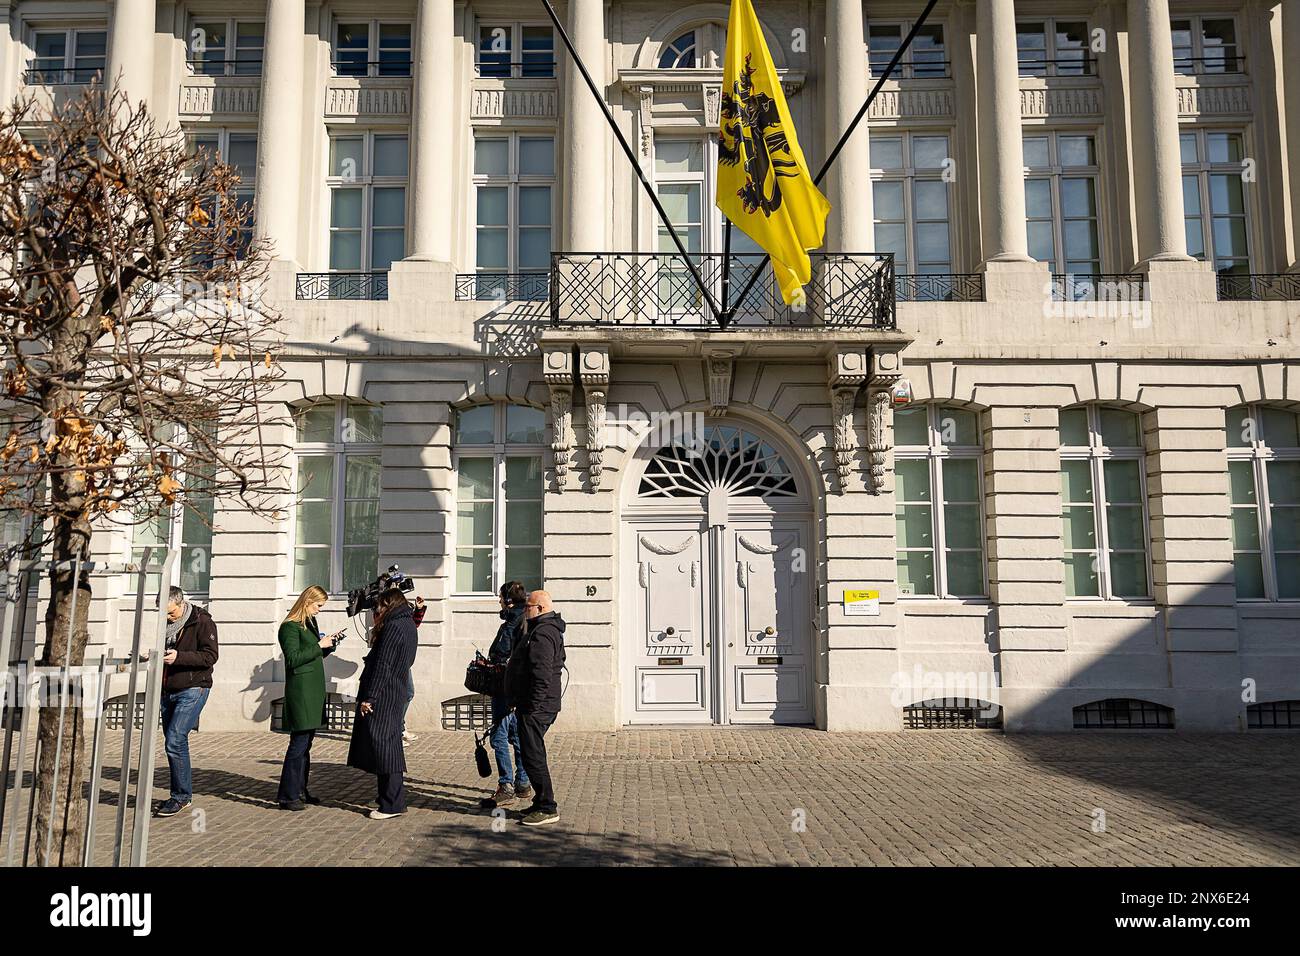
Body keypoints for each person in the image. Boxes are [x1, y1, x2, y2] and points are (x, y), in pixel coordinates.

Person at [347, 587, 418, 819]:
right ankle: (386, 797)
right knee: (384, 746)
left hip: (385, 695)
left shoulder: (393, 627)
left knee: (386, 748)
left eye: (380, 605)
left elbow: (383, 666)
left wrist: (370, 697)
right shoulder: (406, 623)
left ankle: (392, 803)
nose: (377, 609)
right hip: (393, 691)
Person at [155, 585, 219, 818]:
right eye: (163, 613)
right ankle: (181, 794)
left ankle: (181, 796)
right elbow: (164, 650)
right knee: (174, 741)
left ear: (181, 604)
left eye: (171, 613)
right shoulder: (165, 624)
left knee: (175, 738)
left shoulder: (202, 621)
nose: (167, 617)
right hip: (168, 688)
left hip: (194, 687)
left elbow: (210, 656)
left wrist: (179, 657)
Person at [275, 585, 340, 811]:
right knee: (299, 743)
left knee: (306, 744)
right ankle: (287, 795)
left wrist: (328, 646)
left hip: (312, 690)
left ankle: (300, 789)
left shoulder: (309, 624)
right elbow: (293, 659)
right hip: (301, 692)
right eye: (318, 605)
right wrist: (318, 645)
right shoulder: (289, 627)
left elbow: (312, 654)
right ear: (307, 602)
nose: (319, 610)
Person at [504, 589, 565, 827]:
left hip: (537, 706)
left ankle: (548, 806)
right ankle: (540, 802)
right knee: (532, 754)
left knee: (534, 756)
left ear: (539, 608)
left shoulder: (543, 633)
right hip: (533, 704)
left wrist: (533, 705)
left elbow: (542, 673)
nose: (524, 610)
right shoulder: (540, 630)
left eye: (528, 606)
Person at [479, 581, 532, 809]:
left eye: (500, 597)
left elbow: (504, 653)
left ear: (508, 600)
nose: (499, 601)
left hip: (505, 687)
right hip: (516, 687)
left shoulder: (514, 621)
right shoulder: (524, 618)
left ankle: (506, 786)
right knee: (516, 734)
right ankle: (522, 783)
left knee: (499, 736)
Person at [402, 595, 427, 744]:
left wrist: (418, 610)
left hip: (405, 660)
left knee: (408, 693)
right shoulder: (386, 605)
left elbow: (413, 625)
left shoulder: (401, 607)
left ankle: (399, 727)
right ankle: (395, 731)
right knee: (405, 693)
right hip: (397, 660)